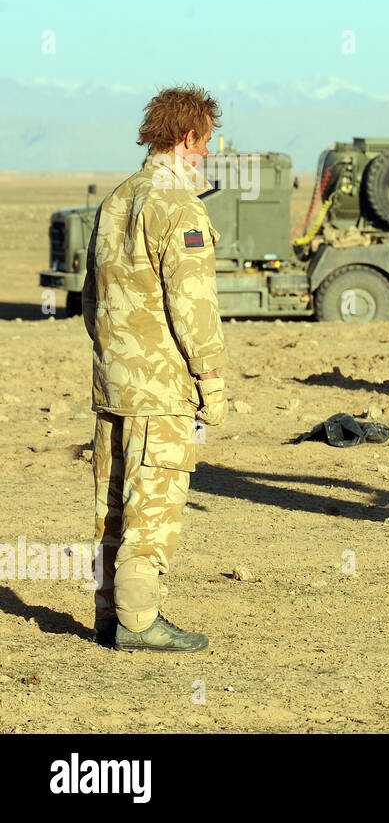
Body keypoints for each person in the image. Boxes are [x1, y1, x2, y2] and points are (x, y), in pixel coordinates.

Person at [82, 84, 228, 652]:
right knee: (153, 508)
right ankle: (139, 623)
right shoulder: (178, 205)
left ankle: (109, 617)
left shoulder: (117, 199)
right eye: (205, 143)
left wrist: (116, 357)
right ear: (187, 138)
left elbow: (91, 300)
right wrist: (210, 376)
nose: (207, 154)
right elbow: (193, 306)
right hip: (161, 391)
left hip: (113, 386)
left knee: (112, 508)